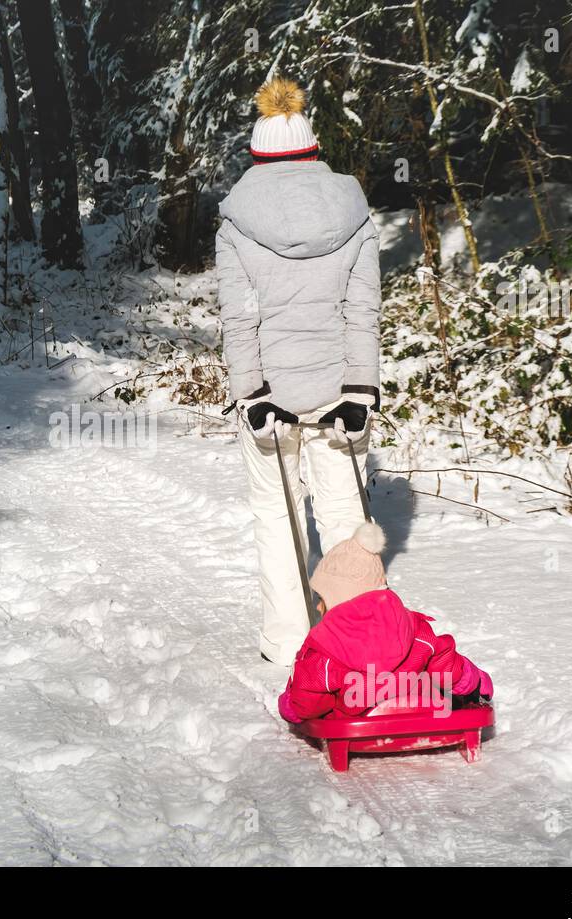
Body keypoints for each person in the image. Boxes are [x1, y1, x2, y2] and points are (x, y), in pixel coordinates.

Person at [216, 77, 383, 664]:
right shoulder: (355, 212)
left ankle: (287, 644)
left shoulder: (236, 222)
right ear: (313, 149)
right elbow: (363, 310)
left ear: (257, 154)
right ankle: (359, 644)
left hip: (271, 396)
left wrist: (252, 394)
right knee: (344, 517)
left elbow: (239, 320)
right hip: (340, 389)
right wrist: (360, 390)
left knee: (276, 515)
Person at [276, 522, 494, 723]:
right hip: (418, 716)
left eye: (322, 599)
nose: (318, 607)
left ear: (338, 600)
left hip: (360, 725)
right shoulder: (413, 629)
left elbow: (307, 704)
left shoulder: (326, 650)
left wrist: (289, 706)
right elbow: (447, 665)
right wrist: (476, 681)